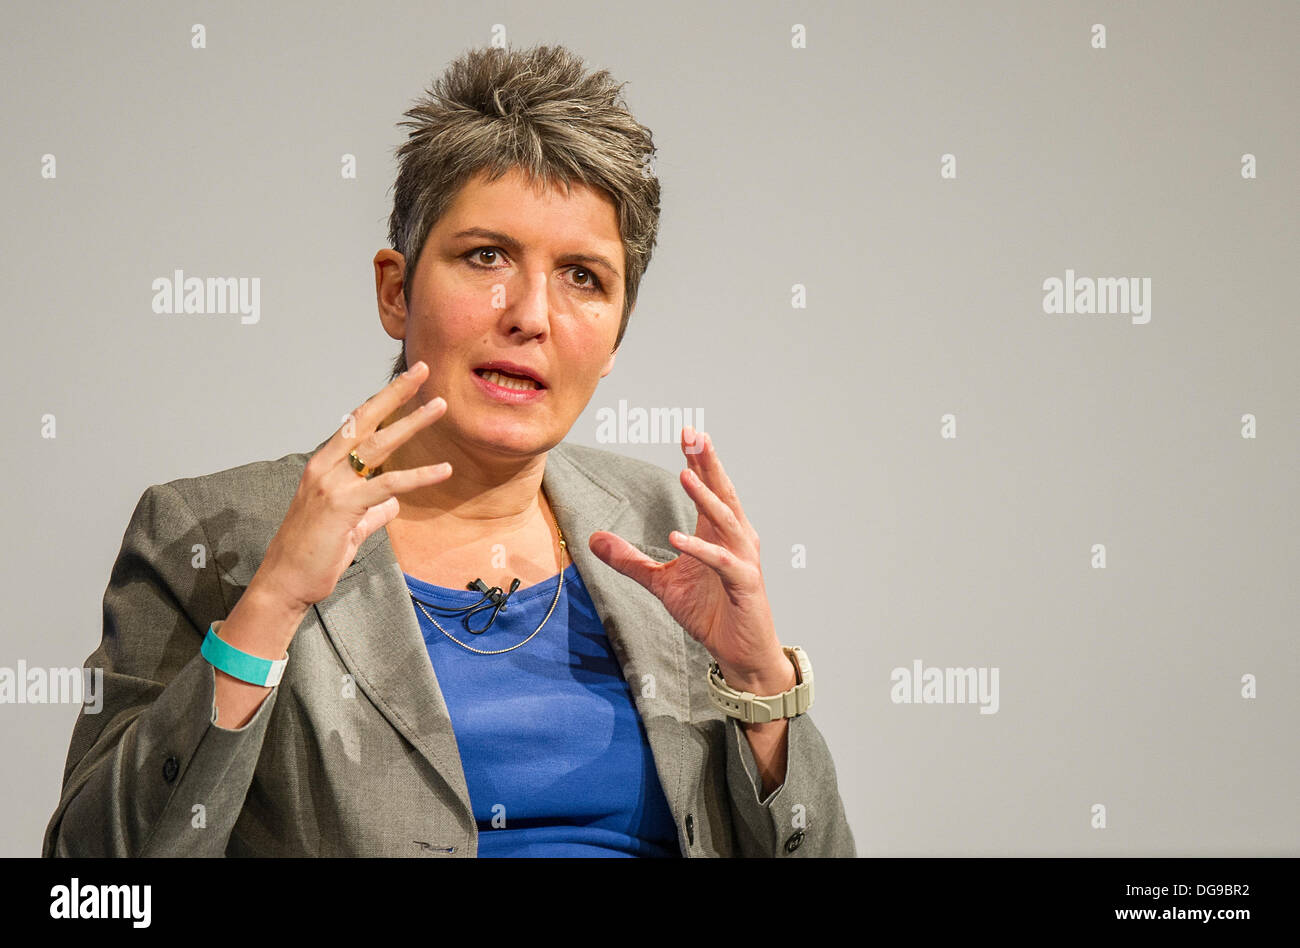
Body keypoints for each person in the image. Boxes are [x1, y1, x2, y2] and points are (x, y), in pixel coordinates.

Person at [42, 43, 855, 858]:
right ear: (396, 291)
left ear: (615, 338)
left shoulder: (663, 528)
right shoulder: (216, 532)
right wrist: (271, 604)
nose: (531, 314)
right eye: (487, 256)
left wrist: (760, 689)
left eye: (583, 277)